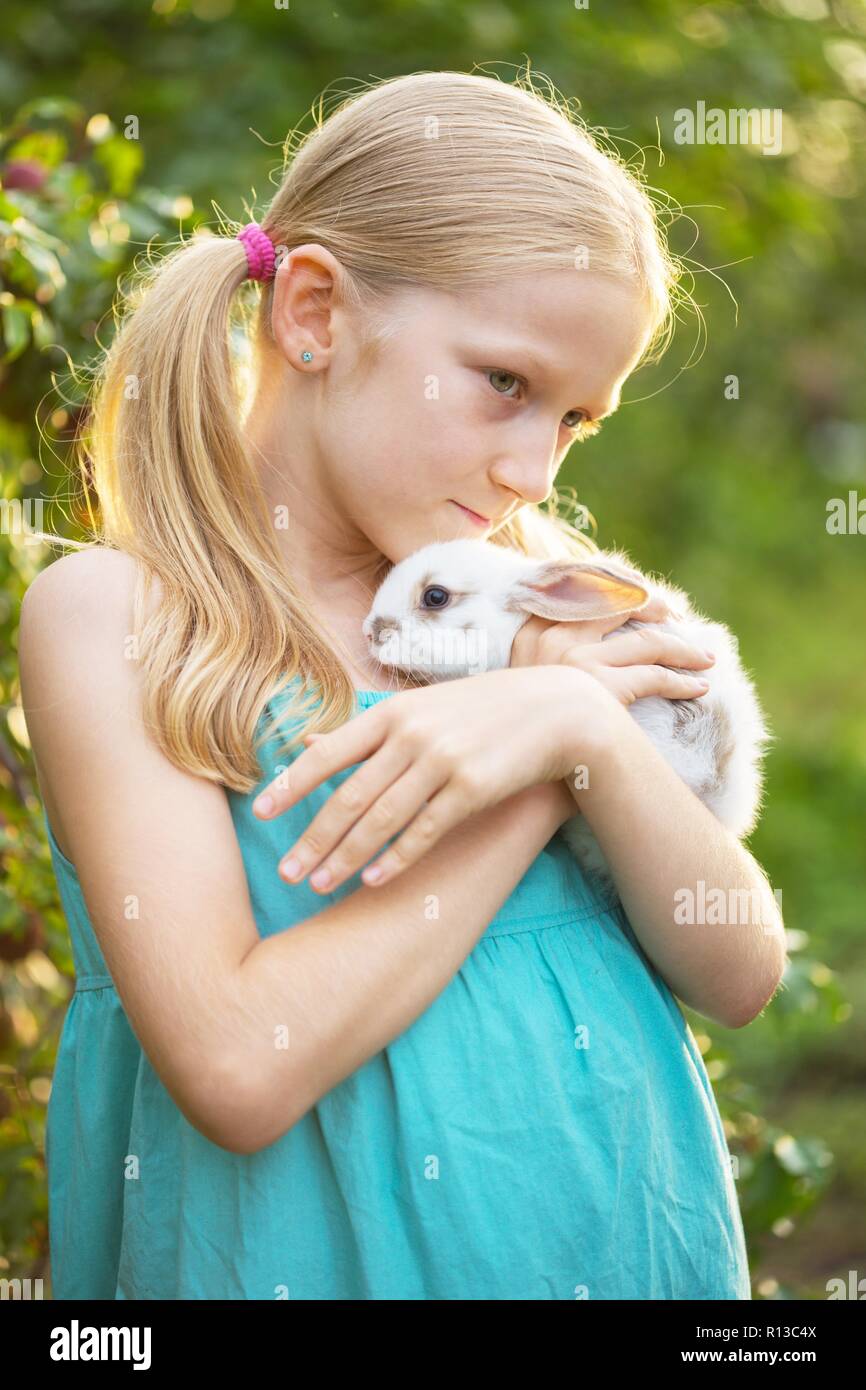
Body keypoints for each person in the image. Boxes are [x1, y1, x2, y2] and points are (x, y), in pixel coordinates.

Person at [19, 70, 784, 1300]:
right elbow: (237, 1067)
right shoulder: (125, 617)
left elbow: (740, 973)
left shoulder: (540, 597)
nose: (534, 468)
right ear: (314, 313)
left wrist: (584, 725)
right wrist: (538, 768)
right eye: (505, 383)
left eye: (577, 420)